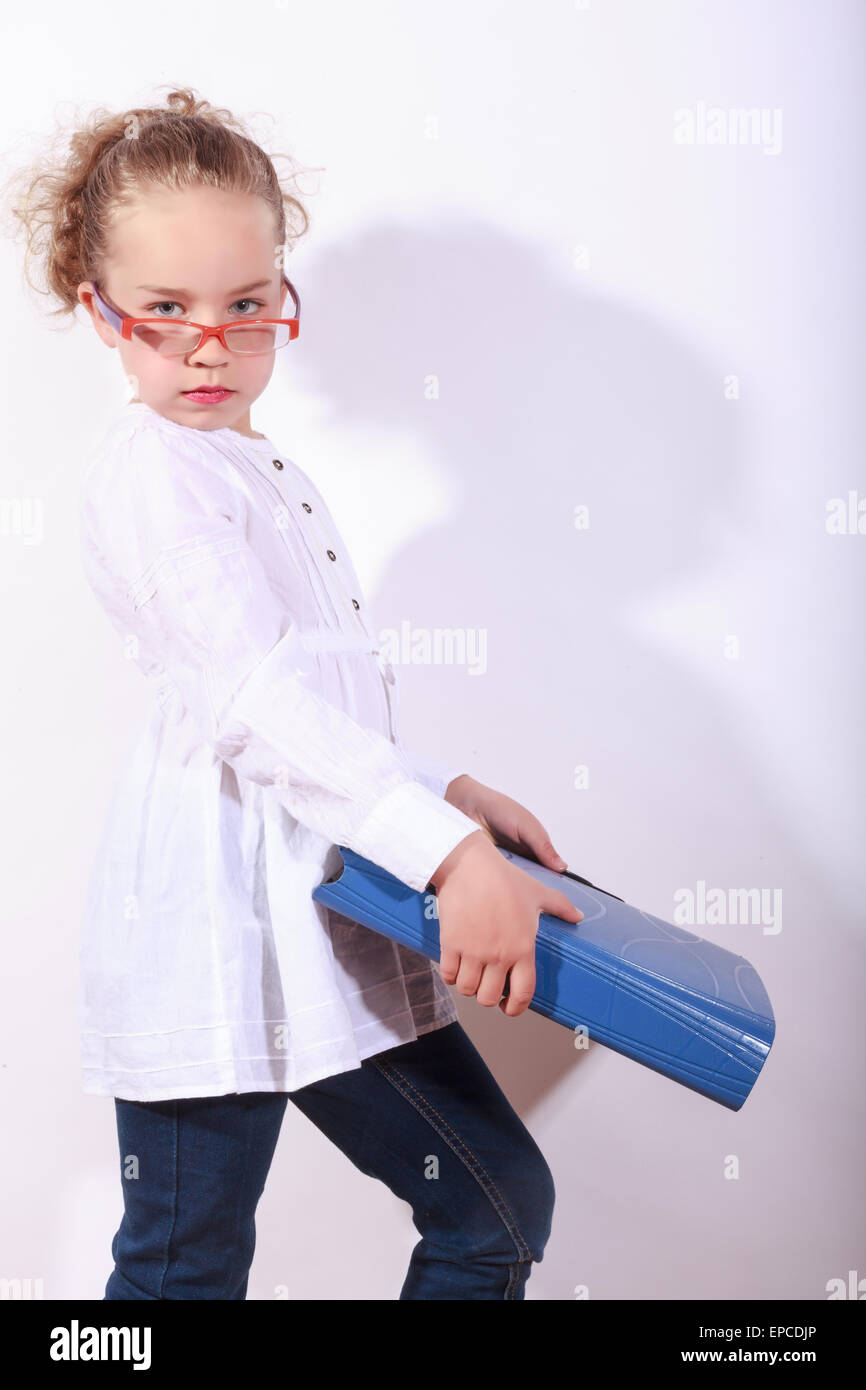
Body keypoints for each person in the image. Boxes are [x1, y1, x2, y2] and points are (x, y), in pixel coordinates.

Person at [4, 86, 581, 1300]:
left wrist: (447, 794)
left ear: (282, 297)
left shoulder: (258, 469)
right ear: (98, 310)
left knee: (493, 1207)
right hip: (212, 948)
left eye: (244, 306)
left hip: (321, 927)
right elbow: (252, 705)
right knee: (181, 1273)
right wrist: (444, 854)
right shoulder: (152, 479)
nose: (209, 344)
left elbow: (315, 709)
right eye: (166, 311)